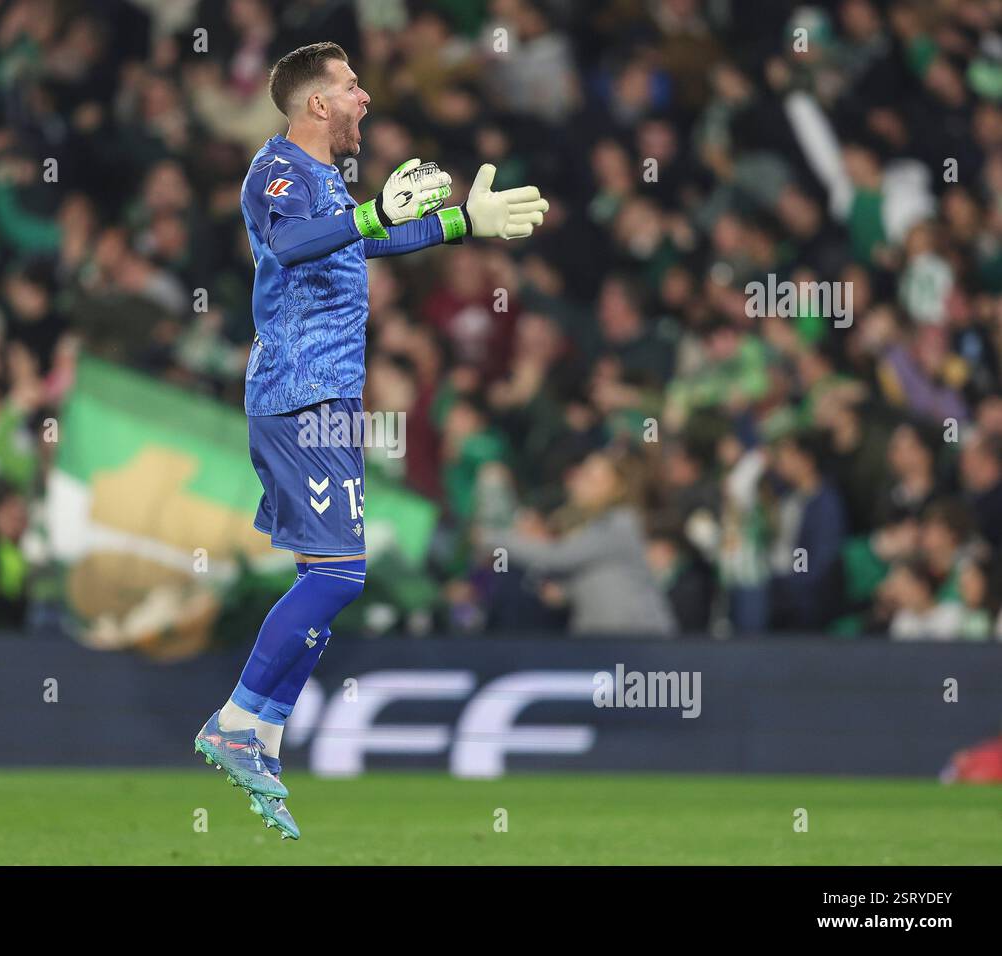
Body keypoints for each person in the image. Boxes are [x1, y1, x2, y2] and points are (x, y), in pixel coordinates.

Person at [193, 41, 547, 841]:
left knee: (335, 576)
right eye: (352, 88)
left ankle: (262, 732)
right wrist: (377, 210)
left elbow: (356, 239)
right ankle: (239, 718)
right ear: (317, 103)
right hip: (298, 395)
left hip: (329, 401)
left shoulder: (326, 184)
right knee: (341, 573)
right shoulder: (274, 171)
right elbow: (290, 245)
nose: (365, 101)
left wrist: (458, 221)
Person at [482, 449, 677, 635]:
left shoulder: (619, 524)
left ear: (618, 487)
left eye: (591, 478)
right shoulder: (590, 526)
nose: (579, 482)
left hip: (639, 640)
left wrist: (492, 537)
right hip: (603, 643)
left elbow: (556, 556)